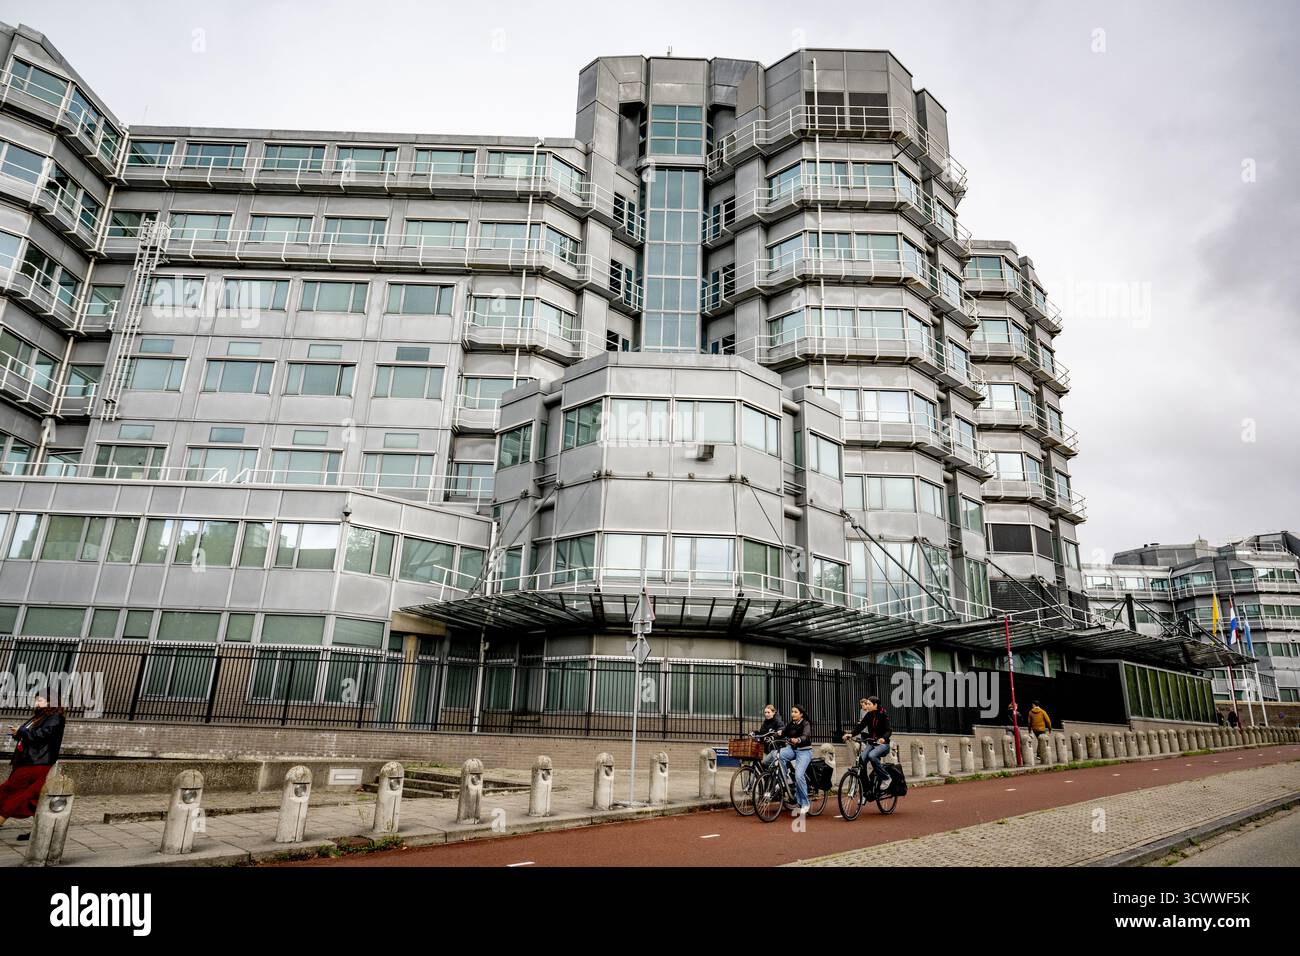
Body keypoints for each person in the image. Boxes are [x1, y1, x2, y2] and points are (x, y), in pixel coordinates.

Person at [0, 694, 66, 841]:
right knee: (31, 797)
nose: (37, 702)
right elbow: (30, 735)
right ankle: (40, 830)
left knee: (14, 792)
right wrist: (18, 733)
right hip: (29, 761)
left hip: (37, 764)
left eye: (40, 700)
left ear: (51, 702)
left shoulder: (55, 717)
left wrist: (22, 731)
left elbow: (42, 735)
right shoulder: (40, 716)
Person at [843, 696, 891, 794]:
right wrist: (851, 734)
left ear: (875, 705)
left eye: (869, 704)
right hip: (872, 743)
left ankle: (886, 778)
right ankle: (867, 787)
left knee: (872, 756)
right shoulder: (869, 715)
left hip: (883, 745)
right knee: (861, 760)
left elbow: (888, 730)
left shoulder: (883, 715)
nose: (867, 706)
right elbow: (860, 726)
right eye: (867, 704)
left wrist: (883, 738)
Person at [777, 703, 814, 816]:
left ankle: (805, 803)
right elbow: (783, 732)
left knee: (799, 775)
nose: (792, 714)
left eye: (795, 712)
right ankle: (786, 778)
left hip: (804, 751)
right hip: (792, 750)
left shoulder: (805, 723)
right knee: (779, 755)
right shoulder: (791, 723)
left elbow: (806, 735)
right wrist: (777, 734)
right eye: (792, 711)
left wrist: (798, 740)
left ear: (801, 714)